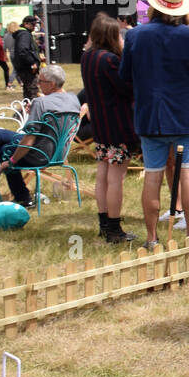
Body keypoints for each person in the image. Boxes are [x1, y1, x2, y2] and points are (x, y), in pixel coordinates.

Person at [119, 0, 189, 245]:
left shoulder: (135, 35)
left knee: (152, 175)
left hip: (150, 116)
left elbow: (124, 76)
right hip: (185, 117)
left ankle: (151, 238)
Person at [0, 65, 82, 208]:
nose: (38, 85)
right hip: (59, 152)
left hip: (40, 154)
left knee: (4, 150)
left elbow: (29, 139)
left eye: (41, 81)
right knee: (0, 134)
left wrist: (11, 161)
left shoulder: (41, 103)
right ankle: (20, 196)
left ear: (52, 84)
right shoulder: (73, 100)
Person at [81, 13, 138, 243]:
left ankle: (104, 222)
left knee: (103, 174)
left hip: (101, 125)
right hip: (118, 124)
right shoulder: (109, 60)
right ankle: (114, 228)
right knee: (116, 178)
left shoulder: (88, 57)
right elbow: (127, 88)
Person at [13, 15, 42, 100]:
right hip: (27, 69)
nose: (34, 27)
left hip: (24, 68)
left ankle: (27, 109)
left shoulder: (24, 33)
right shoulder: (24, 34)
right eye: (33, 25)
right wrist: (32, 62)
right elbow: (23, 51)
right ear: (26, 24)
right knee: (33, 93)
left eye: (35, 25)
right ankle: (32, 110)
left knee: (28, 92)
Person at [2, 21, 20, 87]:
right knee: (16, 69)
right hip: (17, 54)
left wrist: (5, 55)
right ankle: (9, 83)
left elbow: (4, 47)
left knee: (16, 69)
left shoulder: (6, 36)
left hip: (11, 54)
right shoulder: (17, 35)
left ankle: (20, 83)